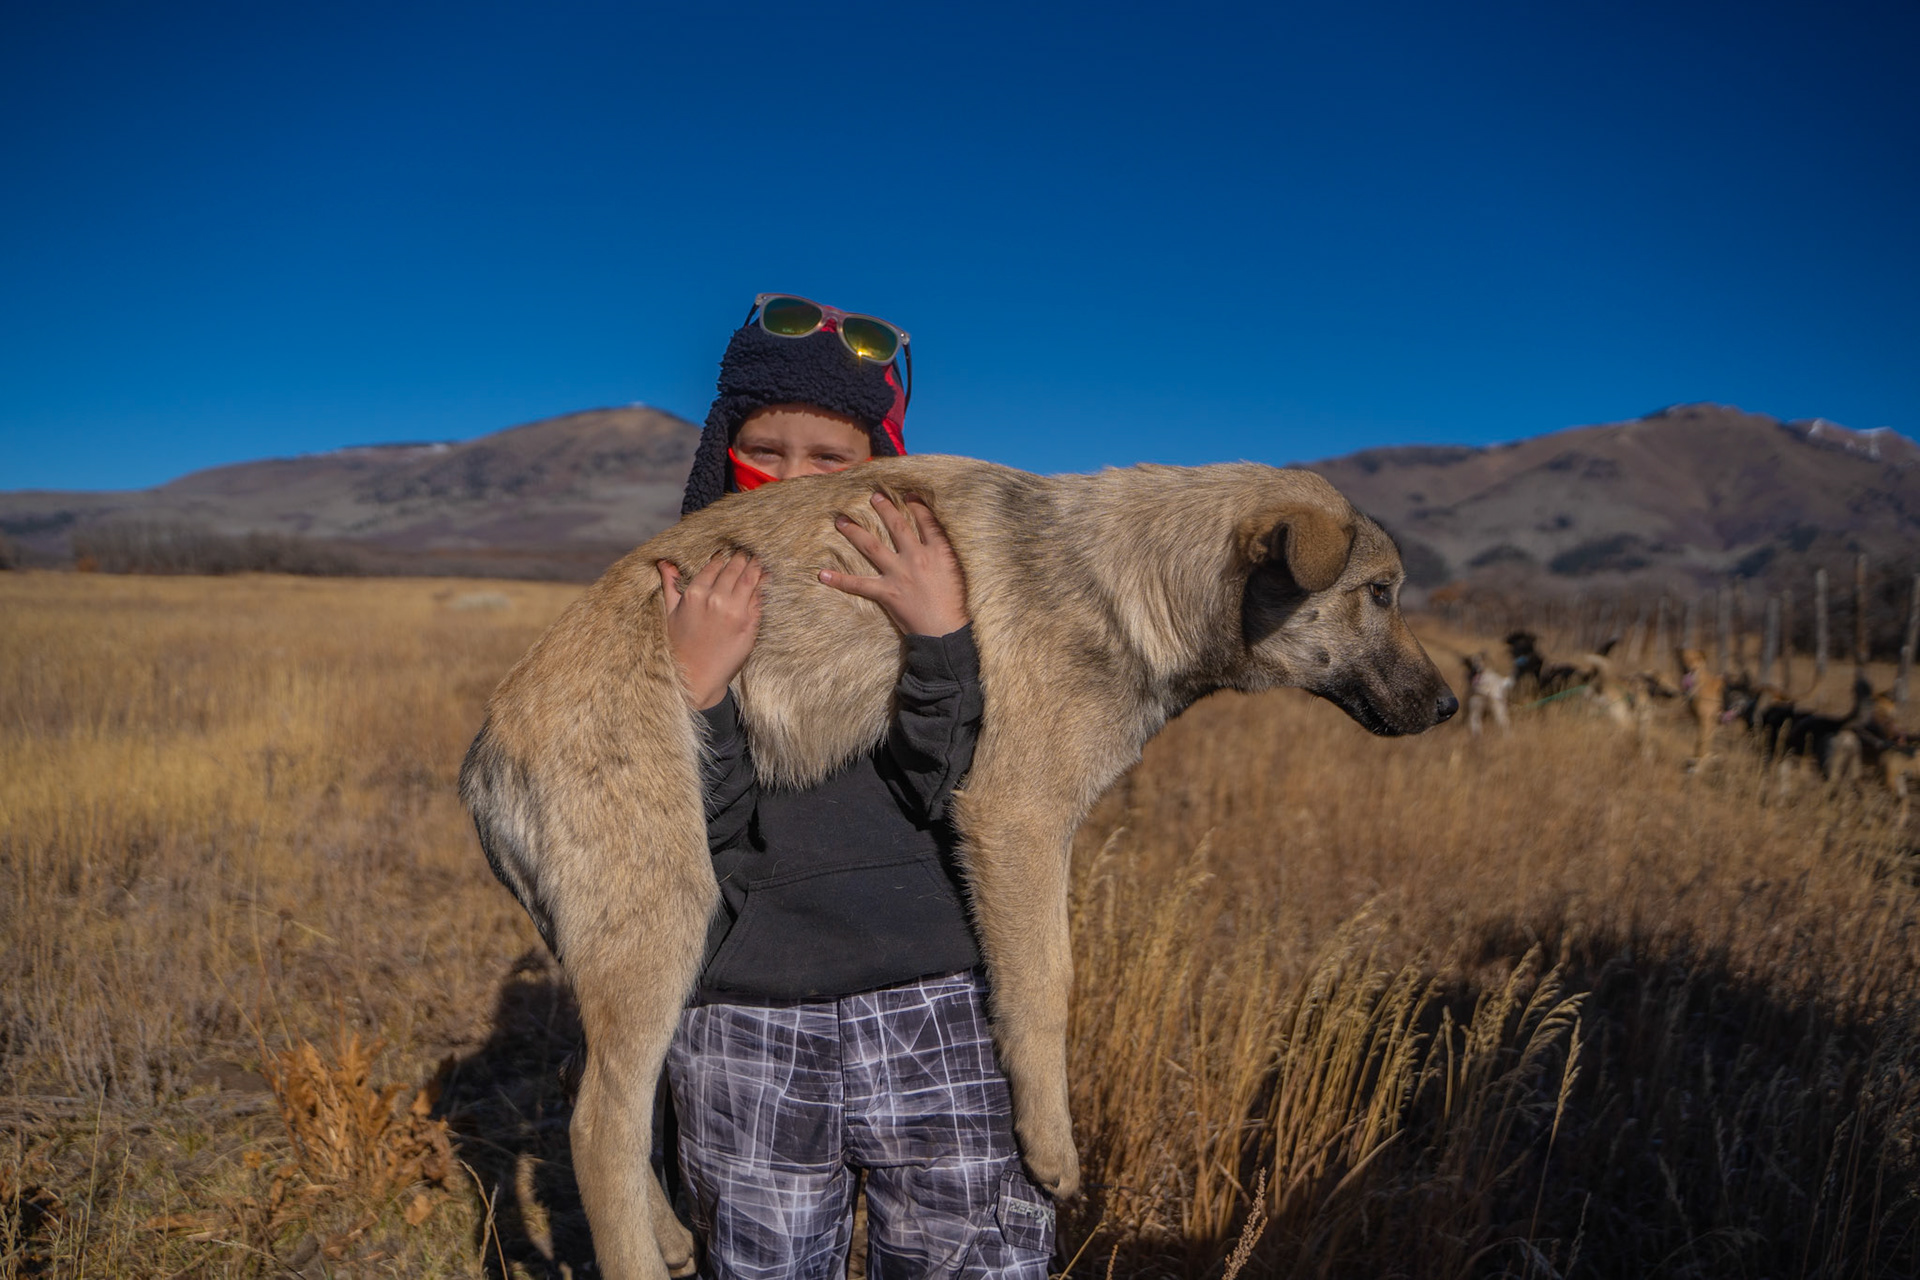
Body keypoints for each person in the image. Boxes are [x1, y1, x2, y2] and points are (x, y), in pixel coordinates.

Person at [657, 294, 1056, 1278]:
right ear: (722, 452)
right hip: (746, 1014)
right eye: (764, 448)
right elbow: (683, 837)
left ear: (882, 463)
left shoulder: (954, 581)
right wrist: (694, 688)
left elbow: (966, 790)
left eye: (829, 458)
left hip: (940, 1004)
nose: (792, 478)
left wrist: (941, 637)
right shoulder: (672, 599)